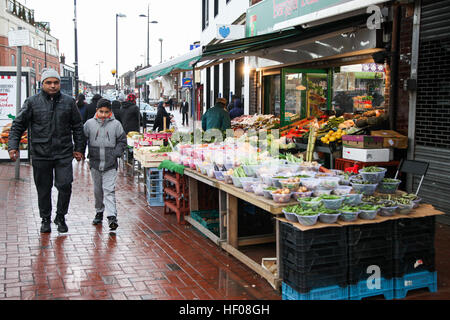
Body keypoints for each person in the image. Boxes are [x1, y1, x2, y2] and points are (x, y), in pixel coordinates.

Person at [8, 68, 85, 233]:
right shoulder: (32, 102)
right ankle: (45, 219)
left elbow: (78, 126)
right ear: (42, 84)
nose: (52, 86)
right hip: (40, 153)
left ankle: (61, 216)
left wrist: (79, 148)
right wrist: (13, 146)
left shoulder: (68, 102)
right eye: (48, 82)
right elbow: (18, 124)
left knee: (65, 185)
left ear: (59, 84)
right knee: (43, 188)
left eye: (55, 82)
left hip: (63, 152)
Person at [83, 99, 127, 231]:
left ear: (110, 112)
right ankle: (99, 211)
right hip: (95, 163)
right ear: (97, 111)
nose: (103, 115)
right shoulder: (89, 124)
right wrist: (79, 151)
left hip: (110, 163)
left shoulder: (116, 125)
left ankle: (112, 217)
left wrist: (116, 153)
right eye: (101, 111)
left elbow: (122, 140)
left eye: (106, 112)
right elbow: (82, 138)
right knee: (98, 190)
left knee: (109, 190)